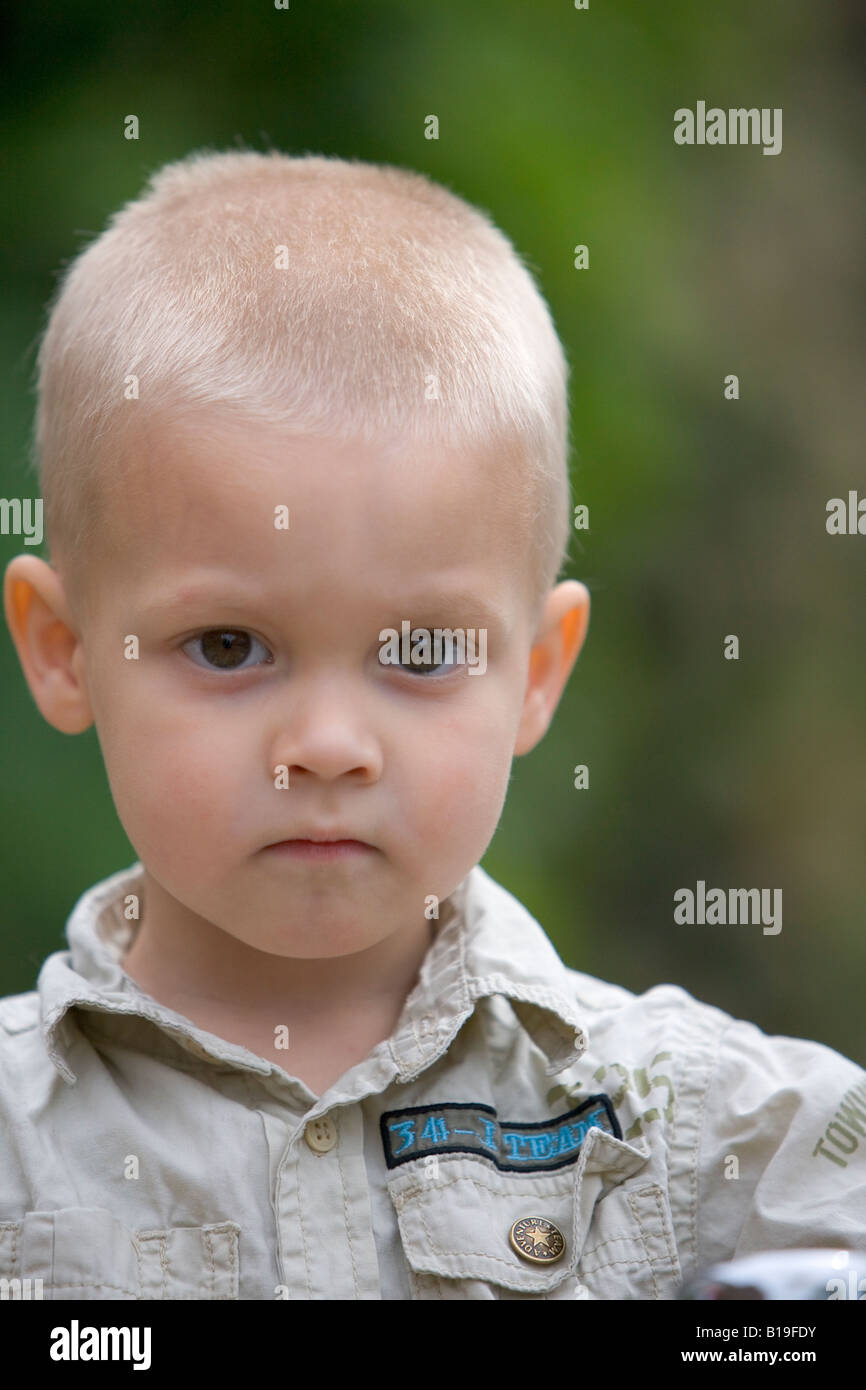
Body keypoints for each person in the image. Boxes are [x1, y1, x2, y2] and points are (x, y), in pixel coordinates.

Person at [2, 148, 863, 1301]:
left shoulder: (701, 1130)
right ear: (61, 651)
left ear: (536, 671)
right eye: (226, 646)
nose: (325, 742)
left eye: (419, 652)